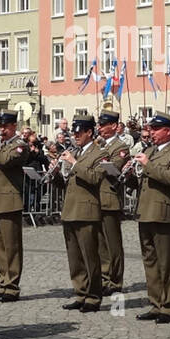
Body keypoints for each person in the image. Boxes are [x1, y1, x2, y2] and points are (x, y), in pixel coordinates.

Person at [132, 112, 170, 323]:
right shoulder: (151, 151)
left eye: (156, 129)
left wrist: (147, 165)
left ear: (168, 132)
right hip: (145, 212)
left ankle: (169, 305)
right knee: (151, 262)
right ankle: (156, 303)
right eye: (151, 129)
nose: (152, 133)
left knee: (168, 263)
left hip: (164, 214)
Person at [59, 113, 108, 313]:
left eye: (79, 132)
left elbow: (95, 177)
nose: (75, 135)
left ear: (89, 132)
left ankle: (94, 297)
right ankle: (80, 292)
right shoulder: (75, 151)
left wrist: (74, 163)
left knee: (90, 256)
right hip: (70, 209)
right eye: (74, 131)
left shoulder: (99, 153)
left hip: (87, 210)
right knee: (75, 258)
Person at [0, 112, 29, 303]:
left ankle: (12, 287)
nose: (1, 130)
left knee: (11, 247)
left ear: (13, 126)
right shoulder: (0, 146)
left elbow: (6, 160)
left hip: (10, 202)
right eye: (0, 126)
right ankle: (3, 283)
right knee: (0, 248)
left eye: (5, 126)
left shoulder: (20, 146)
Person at [95, 109, 131, 294]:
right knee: (100, 243)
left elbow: (114, 168)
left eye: (103, 125)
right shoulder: (98, 146)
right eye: (99, 125)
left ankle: (115, 280)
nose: (99, 128)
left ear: (114, 126)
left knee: (112, 243)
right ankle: (104, 277)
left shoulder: (120, 147)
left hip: (109, 198)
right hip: (95, 199)